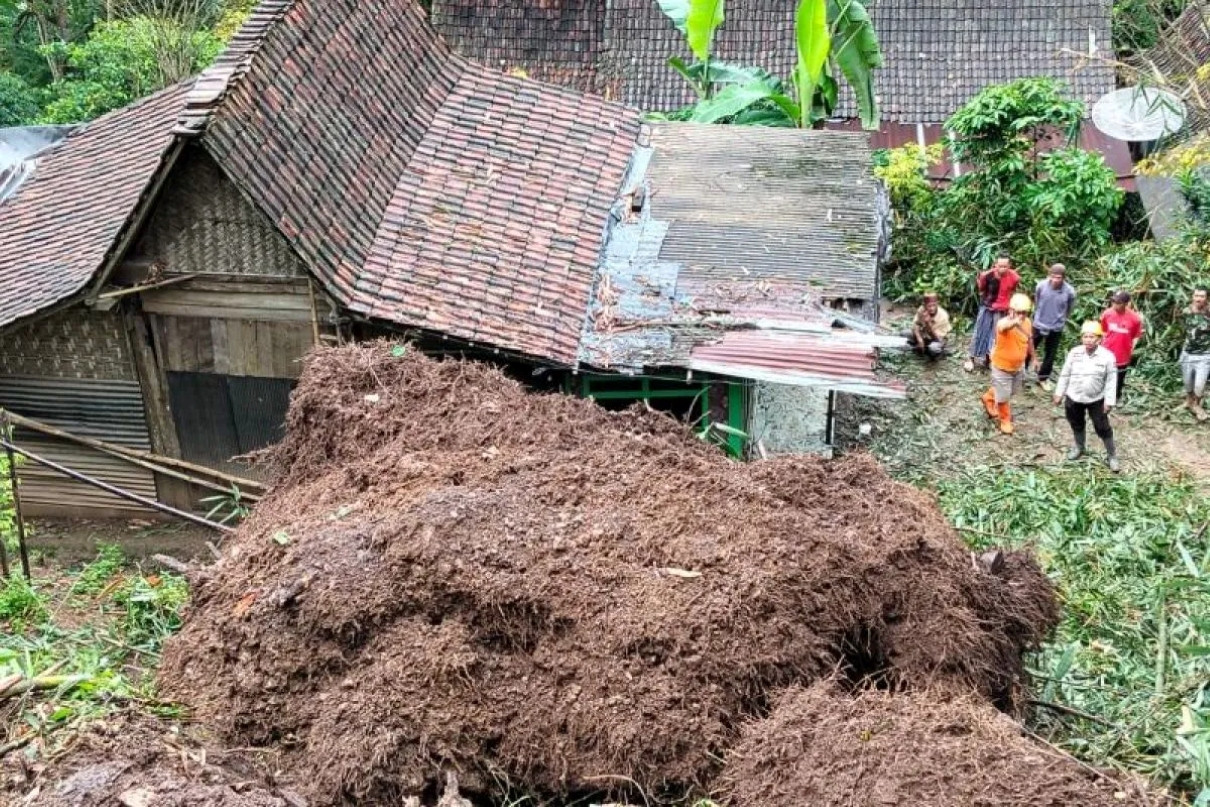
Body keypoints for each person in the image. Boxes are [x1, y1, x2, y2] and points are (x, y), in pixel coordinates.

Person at [1053, 321, 1120, 472]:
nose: (1088, 340)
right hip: (1074, 397)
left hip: (1096, 399)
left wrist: (1109, 401)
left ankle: (1112, 455)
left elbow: (1111, 381)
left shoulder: (1107, 357)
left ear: (1099, 339)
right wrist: (1059, 392)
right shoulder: (1074, 352)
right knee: (1076, 423)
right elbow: (1065, 373)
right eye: (1085, 337)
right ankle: (1079, 447)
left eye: (1092, 337)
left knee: (1103, 427)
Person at [980, 293, 1036, 435]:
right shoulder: (1003, 323)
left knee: (1012, 391)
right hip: (1002, 367)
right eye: (1018, 312)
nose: (1021, 316)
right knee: (1004, 396)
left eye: (1024, 312)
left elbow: (1029, 340)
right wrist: (1014, 322)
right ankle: (1005, 419)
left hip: (1018, 366)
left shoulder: (1027, 323)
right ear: (1010, 310)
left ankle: (989, 397)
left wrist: (1034, 358)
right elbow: (1004, 327)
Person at [965, 254, 1020, 372]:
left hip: (1002, 310)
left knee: (996, 336)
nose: (1002, 269)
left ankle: (989, 359)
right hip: (987, 307)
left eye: (1005, 266)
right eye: (1000, 266)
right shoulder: (987, 275)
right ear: (995, 265)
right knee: (980, 332)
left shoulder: (1014, 277)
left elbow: (1012, 292)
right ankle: (971, 358)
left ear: (1009, 265)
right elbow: (981, 289)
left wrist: (1011, 309)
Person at [1032, 263, 1076, 391]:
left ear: (1064, 278)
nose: (1056, 280)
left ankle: (1043, 378)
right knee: (1029, 347)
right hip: (1039, 323)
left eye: (1059, 277)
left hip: (1056, 326)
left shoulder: (1069, 292)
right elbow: (1037, 300)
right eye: (1053, 277)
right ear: (1049, 275)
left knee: (1050, 353)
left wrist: (1061, 319)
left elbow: (1069, 309)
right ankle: (1021, 370)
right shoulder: (1041, 286)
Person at [1100, 291, 1144, 404]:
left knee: (1119, 377)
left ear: (1126, 303)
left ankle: (1116, 397)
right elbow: (1104, 331)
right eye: (1113, 301)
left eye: (1118, 302)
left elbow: (1136, 336)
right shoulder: (1107, 313)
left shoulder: (1135, 319)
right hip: (1107, 351)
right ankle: (1101, 396)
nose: (1114, 304)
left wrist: (1131, 348)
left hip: (1123, 353)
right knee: (1104, 374)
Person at [1180, 286, 1210, 422]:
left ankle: (1197, 405)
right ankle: (1188, 401)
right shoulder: (1186, 311)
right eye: (1196, 295)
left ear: (1206, 298)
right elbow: (1183, 330)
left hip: (1204, 355)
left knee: (1199, 384)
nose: (1198, 299)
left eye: (1202, 296)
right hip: (1187, 353)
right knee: (1187, 382)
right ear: (1192, 296)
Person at [905, 292, 952, 358]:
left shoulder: (943, 316)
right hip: (924, 335)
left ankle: (938, 352)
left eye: (934, 305)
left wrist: (928, 325)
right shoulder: (922, 309)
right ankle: (921, 347)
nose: (932, 308)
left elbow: (938, 339)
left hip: (937, 339)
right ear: (924, 305)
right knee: (905, 334)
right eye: (929, 306)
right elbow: (916, 324)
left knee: (933, 348)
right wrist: (919, 339)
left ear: (937, 303)